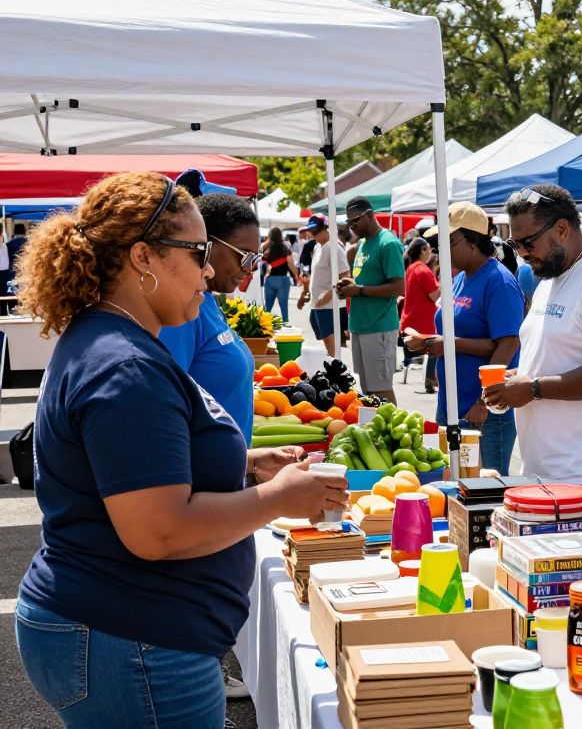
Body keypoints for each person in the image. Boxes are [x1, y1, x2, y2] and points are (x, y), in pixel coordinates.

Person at [13, 172, 348, 728]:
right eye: (198, 253)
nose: (211, 270)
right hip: (132, 640)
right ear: (144, 256)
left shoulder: (115, 340)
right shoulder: (125, 365)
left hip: (122, 631)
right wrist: (276, 498)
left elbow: (126, 465)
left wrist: (243, 464)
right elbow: (158, 530)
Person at [483, 185, 582, 528]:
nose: (522, 253)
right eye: (515, 244)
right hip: (548, 470)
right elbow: (554, 357)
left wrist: (533, 388)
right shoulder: (550, 279)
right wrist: (518, 380)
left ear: (561, 228)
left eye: (528, 242)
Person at [157, 193, 260, 704]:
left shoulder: (209, 303)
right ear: (205, 247)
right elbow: (168, 396)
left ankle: (208, 669)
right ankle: (199, 679)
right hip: (195, 484)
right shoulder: (181, 314)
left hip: (223, 474)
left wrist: (244, 459)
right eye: (244, 255)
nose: (249, 267)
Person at [408, 203, 525, 475]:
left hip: (482, 411)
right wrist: (428, 341)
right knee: (453, 483)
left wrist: (484, 403)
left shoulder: (499, 282)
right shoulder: (461, 278)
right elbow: (461, 335)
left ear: (472, 241)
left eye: (448, 242)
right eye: (438, 244)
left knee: (485, 491)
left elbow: (508, 344)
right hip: (451, 404)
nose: (440, 251)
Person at [336, 196, 405, 403]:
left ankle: (394, 433)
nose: (351, 227)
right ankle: (377, 432)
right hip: (361, 326)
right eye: (348, 223)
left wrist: (359, 291)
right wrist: (349, 285)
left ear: (369, 215)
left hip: (379, 327)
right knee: (368, 391)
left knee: (380, 390)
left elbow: (398, 287)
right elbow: (364, 280)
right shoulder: (363, 244)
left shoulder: (388, 243)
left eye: (354, 221)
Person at [299, 217, 350, 356]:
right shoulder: (317, 246)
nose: (312, 234)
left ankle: (335, 363)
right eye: (310, 231)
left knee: (328, 337)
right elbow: (317, 273)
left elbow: (345, 275)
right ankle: (332, 360)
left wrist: (329, 294)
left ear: (326, 229)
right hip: (318, 301)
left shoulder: (335, 247)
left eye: (315, 231)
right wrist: (305, 293)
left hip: (328, 303)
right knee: (320, 331)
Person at [400, 237, 439, 372]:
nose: (431, 252)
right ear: (423, 250)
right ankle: (431, 377)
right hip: (423, 325)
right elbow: (435, 296)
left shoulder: (411, 268)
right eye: (429, 249)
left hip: (410, 321)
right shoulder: (423, 270)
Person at [261, 226, 298, 323]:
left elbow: (260, 256)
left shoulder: (266, 249)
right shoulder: (285, 248)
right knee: (283, 305)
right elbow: (290, 263)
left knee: (268, 306)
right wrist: (296, 275)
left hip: (269, 280)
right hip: (283, 280)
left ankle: (264, 325)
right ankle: (285, 323)